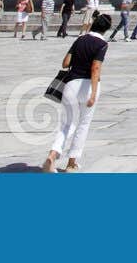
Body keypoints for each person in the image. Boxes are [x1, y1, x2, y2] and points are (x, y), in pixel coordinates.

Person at [43, 13, 110, 173]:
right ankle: (71, 162)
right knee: (83, 124)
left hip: (71, 84)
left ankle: (53, 154)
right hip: (87, 86)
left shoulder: (80, 39)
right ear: (106, 29)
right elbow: (95, 68)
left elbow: (65, 63)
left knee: (67, 124)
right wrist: (93, 93)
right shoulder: (102, 44)